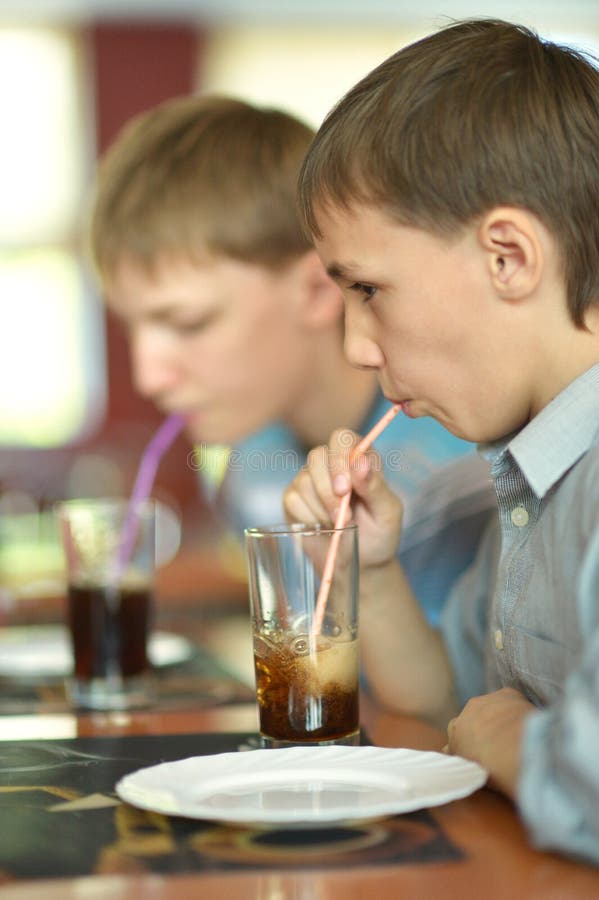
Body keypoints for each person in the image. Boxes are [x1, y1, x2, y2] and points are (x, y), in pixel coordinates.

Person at [283, 19, 599, 863]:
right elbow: (446, 698)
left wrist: (508, 746)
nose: (355, 345)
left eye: (369, 288)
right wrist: (371, 569)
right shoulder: (534, 471)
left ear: (507, 256)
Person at [88, 93, 493, 623]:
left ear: (317, 290)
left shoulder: (463, 468)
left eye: (190, 323)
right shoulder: (252, 455)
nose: (148, 376)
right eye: (130, 325)